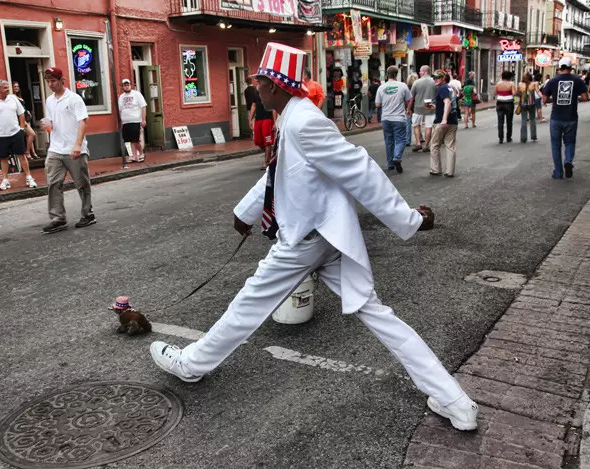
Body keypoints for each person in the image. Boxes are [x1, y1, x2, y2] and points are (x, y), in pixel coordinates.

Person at [149, 43, 479, 433]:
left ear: (274, 85)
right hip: (323, 236)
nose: (255, 87)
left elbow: (361, 170)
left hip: (306, 239)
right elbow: (280, 173)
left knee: (247, 305)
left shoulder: (303, 121)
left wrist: (409, 220)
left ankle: (190, 365)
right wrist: (246, 210)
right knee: (376, 314)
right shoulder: (294, 116)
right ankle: (455, 401)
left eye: (259, 82)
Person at [41, 67, 95, 234]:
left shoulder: (74, 99)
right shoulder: (50, 100)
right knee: (53, 183)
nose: (50, 84)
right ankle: (58, 217)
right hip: (55, 149)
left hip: (74, 148)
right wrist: (47, 125)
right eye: (48, 81)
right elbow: (51, 121)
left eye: (53, 81)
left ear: (62, 80)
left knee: (81, 183)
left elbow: (83, 121)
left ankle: (88, 213)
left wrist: (78, 145)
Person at [0, 79, 38, 190]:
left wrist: (21, 128)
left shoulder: (13, 98)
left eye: (8, 87)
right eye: (5, 87)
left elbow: (21, 113)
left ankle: (29, 177)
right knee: (3, 158)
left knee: (22, 155)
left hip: (15, 132)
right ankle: (5, 180)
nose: (8, 89)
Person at [542, 57, 589, 179]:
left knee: (555, 145)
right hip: (571, 117)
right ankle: (568, 161)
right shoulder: (578, 80)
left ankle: (558, 172)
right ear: (570, 68)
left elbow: (544, 99)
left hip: (556, 118)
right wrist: (575, 98)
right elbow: (585, 97)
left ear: (559, 68)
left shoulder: (552, 81)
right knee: (569, 142)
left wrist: (555, 99)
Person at [375, 65, 411, 173]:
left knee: (389, 141)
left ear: (387, 74)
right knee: (401, 140)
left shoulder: (381, 87)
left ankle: (390, 164)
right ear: (397, 75)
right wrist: (407, 109)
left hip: (385, 118)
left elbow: (377, 104)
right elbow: (408, 100)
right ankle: (397, 157)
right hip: (399, 118)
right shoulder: (403, 86)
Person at [430, 69, 459, 178]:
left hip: (442, 121)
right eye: (434, 78)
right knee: (450, 146)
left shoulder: (442, 88)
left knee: (435, 145)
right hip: (453, 120)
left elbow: (447, 102)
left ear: (443, 78)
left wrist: (444, 119)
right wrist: (436, 107)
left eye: (437, 78)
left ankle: (436, 169)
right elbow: (449, 102)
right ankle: (450, 171)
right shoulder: (451, 88)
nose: (435, 80)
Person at [118, 78, 147, 163]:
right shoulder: (121, 97)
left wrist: (143, 119)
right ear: (122, 87)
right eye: (125, 85)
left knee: (136, 139)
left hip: (136, 120)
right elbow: (120, 109)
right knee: (130, 140)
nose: (127, 87)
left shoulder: (137, 94)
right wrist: (121, 121)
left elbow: (143, 107)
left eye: (128, 85)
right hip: (126, 121)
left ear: (131, 85)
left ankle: (141, 153)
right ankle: (134, 156)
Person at [409, 65, 437, 153]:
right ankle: (426, 145)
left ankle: (418, 143)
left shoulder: (416, 82)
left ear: (424, 72)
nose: (419, 73)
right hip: (431, 108)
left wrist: (408, 108)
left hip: (418, 107)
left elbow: (411, 97)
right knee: (429, 126)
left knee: (416, 125)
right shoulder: (434, 82)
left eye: (420, 72)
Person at [250, 81, 276, 170]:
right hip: (258, 119)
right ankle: (269, 153)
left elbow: (273, 108)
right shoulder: (255, 91)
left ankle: (266, 162)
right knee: (258, 141)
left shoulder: (269, 90)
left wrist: (275, 122)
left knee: (267, 141)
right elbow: (254, 105)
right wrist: (250, 119)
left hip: (267, 119)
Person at [12, 81, 39, 160]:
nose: (16, 88)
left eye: (17, 86)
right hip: (21, 119)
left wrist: (27, 111)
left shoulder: (18, 96)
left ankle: (32, 152)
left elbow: (23, 107)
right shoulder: (12, 97)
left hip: (26, 117)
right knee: (32, 134)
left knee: (29, 136)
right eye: (14, 86)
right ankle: (27, 152)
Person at [494, 71, 516, 144]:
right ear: (509, 77)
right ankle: (508, 137)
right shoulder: (511, 84)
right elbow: (514, 93)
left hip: (499, 102)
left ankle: (500, 138)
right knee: (509, 121)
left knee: (500, 121)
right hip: (509, 103)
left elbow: (495, 93)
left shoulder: (498, 84)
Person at [517, 72, 538, 143]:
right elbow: (538, 92)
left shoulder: (520, 84)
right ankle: (533, 136)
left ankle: (523, 138)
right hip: (532, 103)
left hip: (523, 104)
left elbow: (518, 94)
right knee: (532, 119)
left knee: (523, 120)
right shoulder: (534, 84)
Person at [405, 73, 419, 148]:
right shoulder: (417, 87)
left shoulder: (407, 87)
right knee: (417, 124)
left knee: (408, 124)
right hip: (416, 107)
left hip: (409, 107)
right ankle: (420, 138)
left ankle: (407, 140)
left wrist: (407, 109)